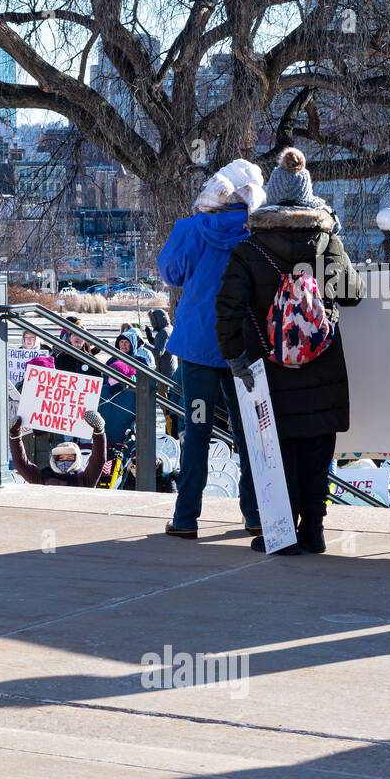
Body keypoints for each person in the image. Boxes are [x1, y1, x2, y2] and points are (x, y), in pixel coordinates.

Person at [216, 147, 364, 554]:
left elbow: (227, 307)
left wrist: (235, 358)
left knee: (278, 452)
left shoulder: (250, 249)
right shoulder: (327, 241)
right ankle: (314, 530)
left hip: (268, 367)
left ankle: (283, 533)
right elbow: (353, 294)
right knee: (318, 448)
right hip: (323, 366)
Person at [159, 159, 266, 540]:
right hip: (243, 349)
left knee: (197, 428)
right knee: (248, 433)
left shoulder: (191, 229)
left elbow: (171, 273)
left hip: (198, 347)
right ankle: (255, 513)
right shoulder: (258, 230)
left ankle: (186, 516)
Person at [10, 411, 107, 486]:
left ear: (77, 458)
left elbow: (98, 461)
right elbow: (22, 464)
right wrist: (15, 435)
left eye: (69, 457)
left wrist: (99, 432)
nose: (64, 460)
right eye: (60, 457)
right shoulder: (43, 476)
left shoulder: (84, 479)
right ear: (53, 458)